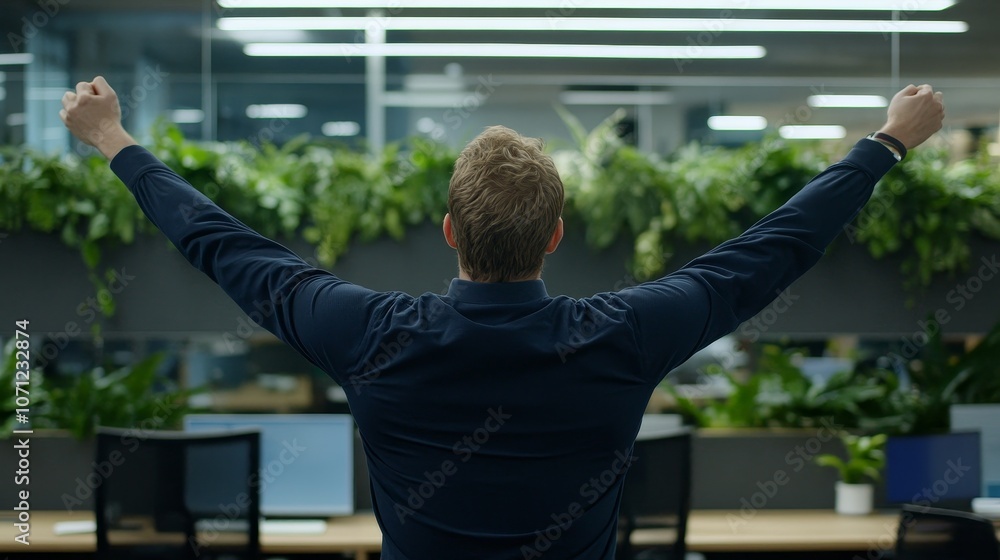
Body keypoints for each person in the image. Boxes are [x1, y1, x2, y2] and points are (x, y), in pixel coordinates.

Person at [61, 78, 943, 560]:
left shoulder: (370, 333)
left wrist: (114, 141)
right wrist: (884, 142)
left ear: (448, 230)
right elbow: (771, 251)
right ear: (557, 234)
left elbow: (220, 244)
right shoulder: (625, 334)